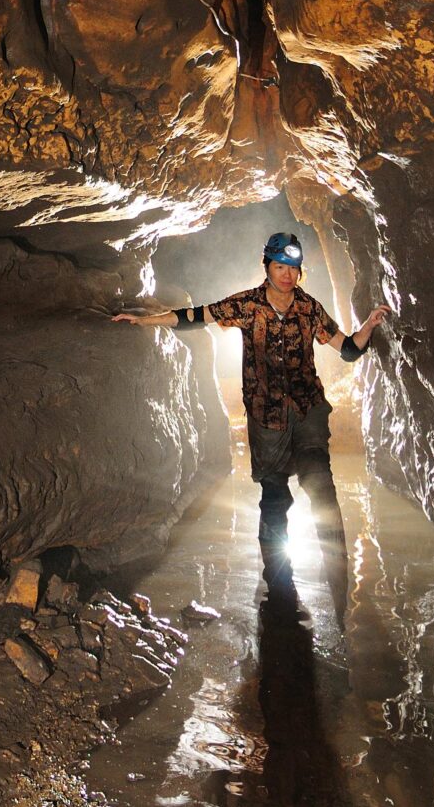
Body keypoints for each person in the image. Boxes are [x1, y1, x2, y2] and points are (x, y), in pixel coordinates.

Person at [114, 231, 389, 607]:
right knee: (275, 498)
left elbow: (348, 350)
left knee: (322, 487)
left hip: (307, 411)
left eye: (293, 268)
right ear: (268, 266)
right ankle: (279, 588)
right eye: (280, 267)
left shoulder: (309, 308)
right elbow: (196, 316)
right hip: (266, 418)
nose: (287, 275)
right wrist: (146, 321)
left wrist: (370, 325)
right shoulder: (247, 305)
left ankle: (340, 590)